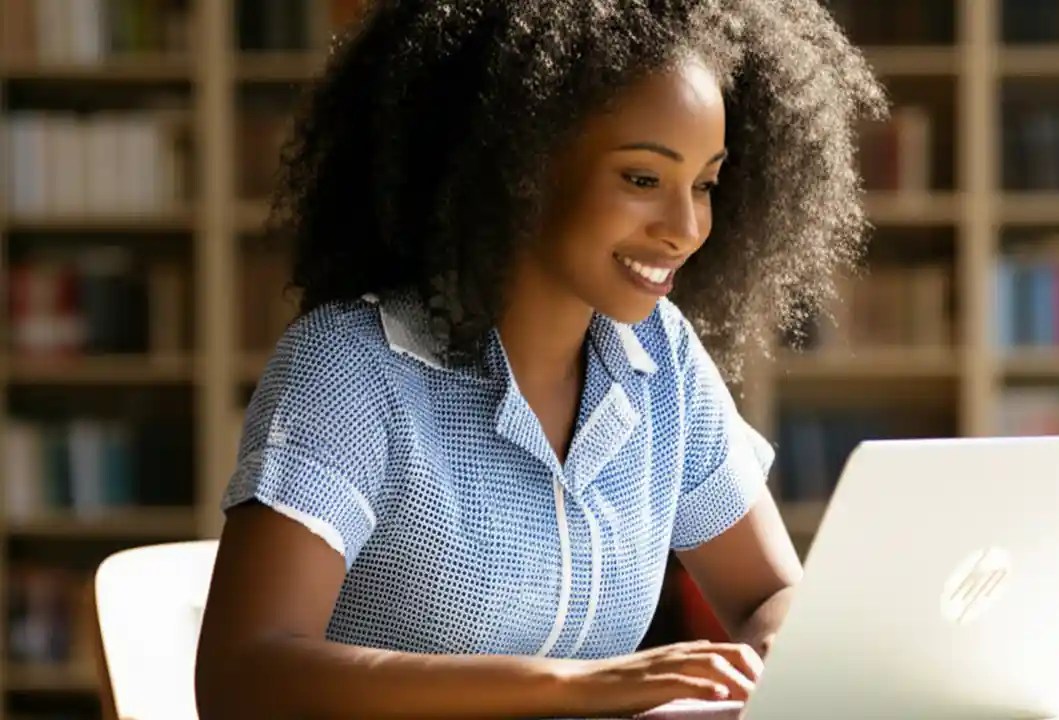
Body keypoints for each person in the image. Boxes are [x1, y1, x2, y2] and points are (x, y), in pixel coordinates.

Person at [194, 1, 885, 718]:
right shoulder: (355, 369)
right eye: (643, 179)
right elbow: (242, 678)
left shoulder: (661, 359)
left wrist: (773, 658)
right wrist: (578, 685)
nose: (685, 229)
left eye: (705, 185)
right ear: (518, 163)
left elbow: (770, 593)